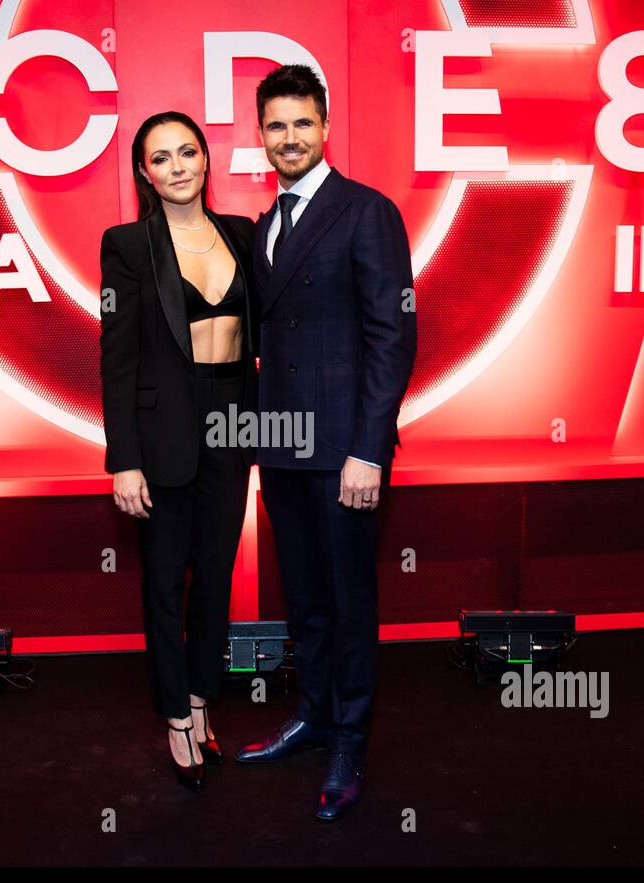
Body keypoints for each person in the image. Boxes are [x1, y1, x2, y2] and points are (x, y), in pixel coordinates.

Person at [233, 65, 417, 821]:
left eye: (301, 123)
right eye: (275, 126)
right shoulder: (263, 224)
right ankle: (312, 716)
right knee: (304, 601)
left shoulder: (365, 212)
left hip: (345, 452)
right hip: (281, 448)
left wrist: (369, 450)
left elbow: (393, 337)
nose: (289, 138)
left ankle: (349, 739)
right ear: (261, 134)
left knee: (348, 604)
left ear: (326, 125)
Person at [98, 111, 259, 792]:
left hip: (235, 420)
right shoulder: (129, 245)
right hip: (162, 436)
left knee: (216, 580)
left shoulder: (243, 235)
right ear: (144, 172)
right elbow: (118, 357)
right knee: (165, 585)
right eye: (159, 158)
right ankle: (173, 717)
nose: (176, 167)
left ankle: (200, 701)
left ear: (204, 159)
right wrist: (122, 459)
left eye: (186, 152)